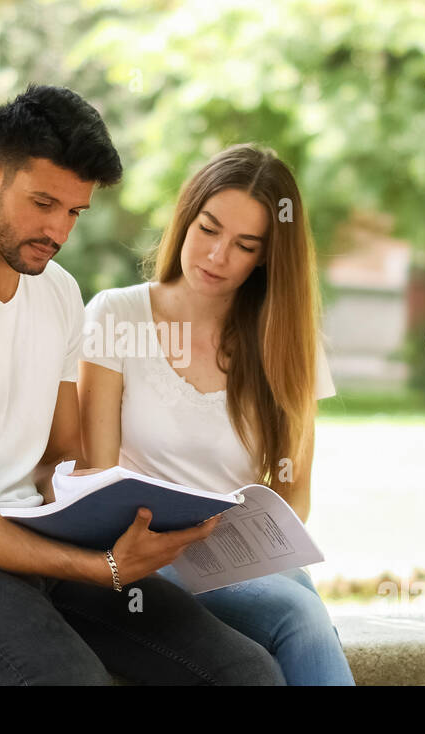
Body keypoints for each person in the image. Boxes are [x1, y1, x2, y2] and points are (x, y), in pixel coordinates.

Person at [0, 85, 285, 686]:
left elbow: (58, 458)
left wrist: (127, 520)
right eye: (43, 202)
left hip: (31, 534)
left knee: (245, 671)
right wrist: (101, 567)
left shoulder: (57, 292)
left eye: (74, 212)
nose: (57, 230)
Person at [78, 144, 356, 685]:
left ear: (267, 257)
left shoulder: (289, 340)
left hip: (246, 563)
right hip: (145, 560)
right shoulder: (117, 314)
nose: (217, 256)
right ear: (186, 218)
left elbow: (294, 494)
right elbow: (94, 475)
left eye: (245, 245)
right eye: (208, 229)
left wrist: (247, 551)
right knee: (298, 609)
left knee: (294, 599)